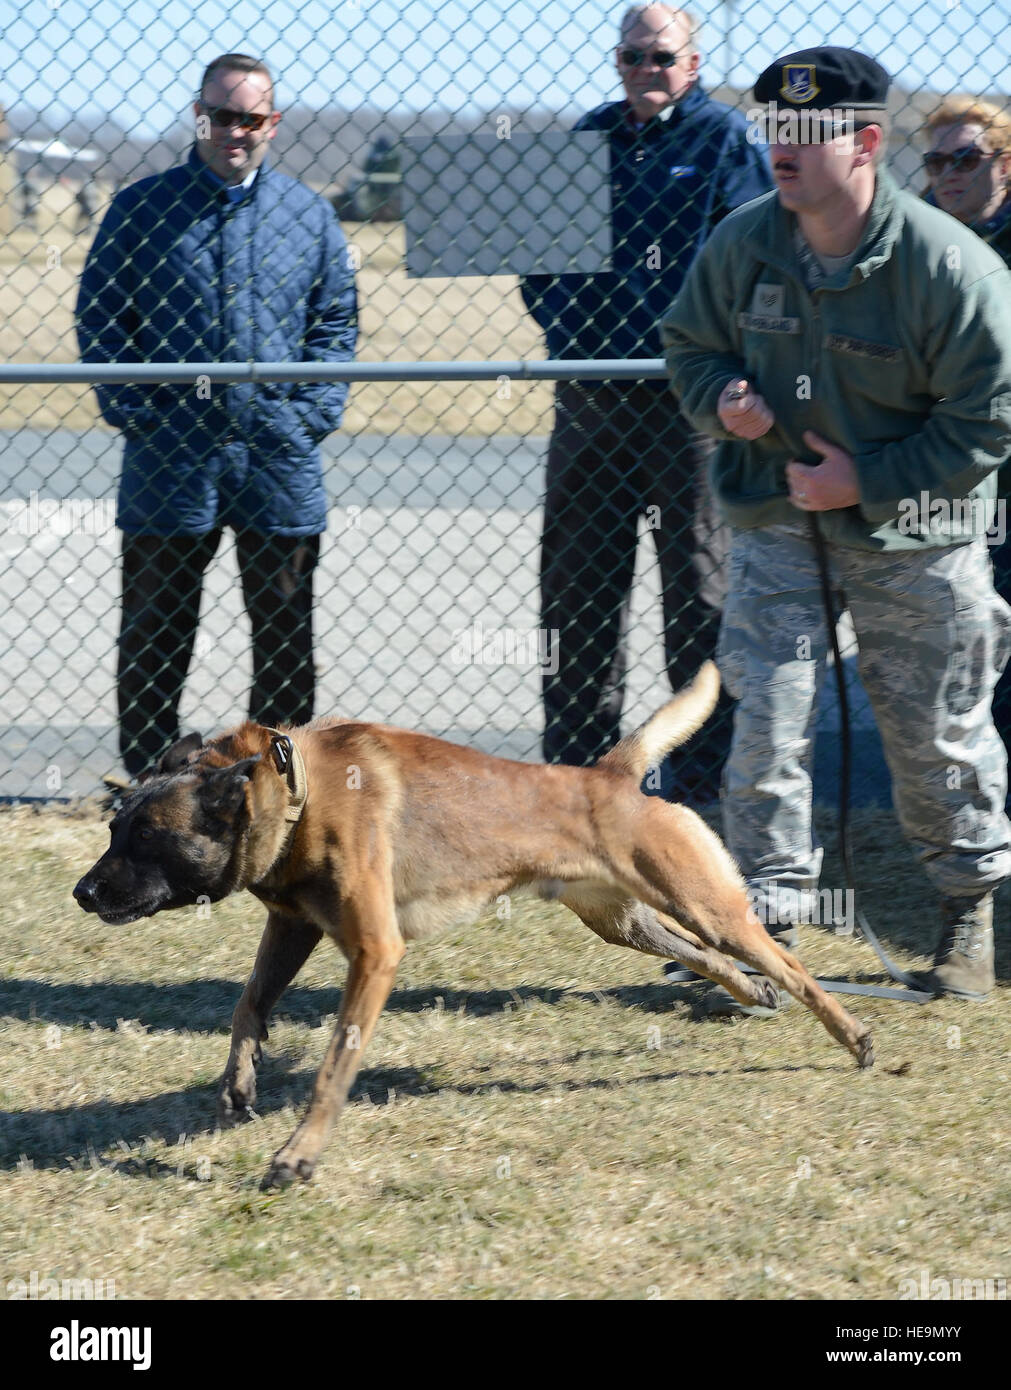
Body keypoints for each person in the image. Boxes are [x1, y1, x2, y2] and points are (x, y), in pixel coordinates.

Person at [662, 46, 1011, 1008]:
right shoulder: (743, 243)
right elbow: (688, 344)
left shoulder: (951, 269)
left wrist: (870, 478)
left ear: (862, 143)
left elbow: (989, 422)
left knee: (933, 734)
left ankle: (965, 912)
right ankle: (764, 933)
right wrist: (719, 397)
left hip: (921, 537)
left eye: (805, 134)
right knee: (764, 730)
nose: (782, 149)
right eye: (773, 129)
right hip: (779, 526)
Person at [76, 53, 357, 782]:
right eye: (221, 115)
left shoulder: (308, 213)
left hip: (276, 457)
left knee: (285, 634)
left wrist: (309, 415)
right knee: (155, 631)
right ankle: (150, 786)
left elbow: (335, 322)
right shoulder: (142, 208)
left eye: (251, 118)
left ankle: (277, 787)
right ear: (198, 114)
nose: (235, 131)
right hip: (170, 459)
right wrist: (136, 410)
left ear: (274, 122)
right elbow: (103, 316)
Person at [520, 4, 771, 800]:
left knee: (697, 593)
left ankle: (698, 780)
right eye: (631, 57)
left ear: (690, 66)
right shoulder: (583, 141)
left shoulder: (725, 140)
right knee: (575, 588)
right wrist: (577, 339)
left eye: (661, 58)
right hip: (591, 400)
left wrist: (707, 351)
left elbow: (758, 258)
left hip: (686, 406)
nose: (645, 71)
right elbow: (540, 264)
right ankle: (580, 782)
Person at [920, 98, 1011, 752]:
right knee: (952, 639)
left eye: (966, 158)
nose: (948, 172)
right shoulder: (915, 239)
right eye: (935, 160)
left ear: (1004, 165)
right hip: (939, 471)